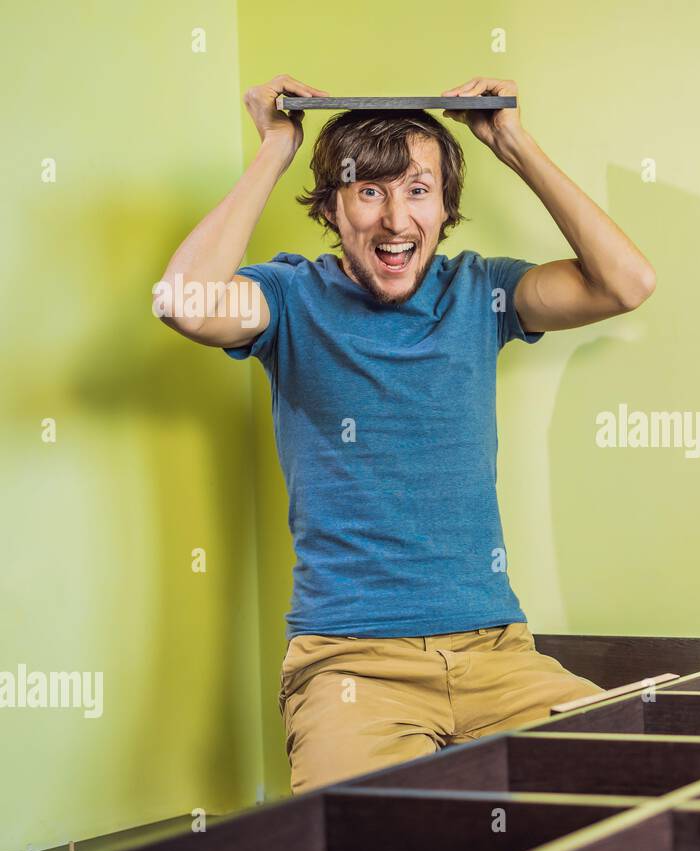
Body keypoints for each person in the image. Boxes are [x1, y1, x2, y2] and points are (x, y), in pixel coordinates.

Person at [155, 74, 656, 793]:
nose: (395, 219)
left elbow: (626, 283)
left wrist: (513, 142)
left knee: (633, 786)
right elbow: (181, 302)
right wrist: (274, 147)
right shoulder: (290, 298)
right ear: (332, 206)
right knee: (360, 838)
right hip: (352, 666)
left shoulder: (479, 293)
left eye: (418, 190)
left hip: (497, 656)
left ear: (446, 207)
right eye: (369, 191)